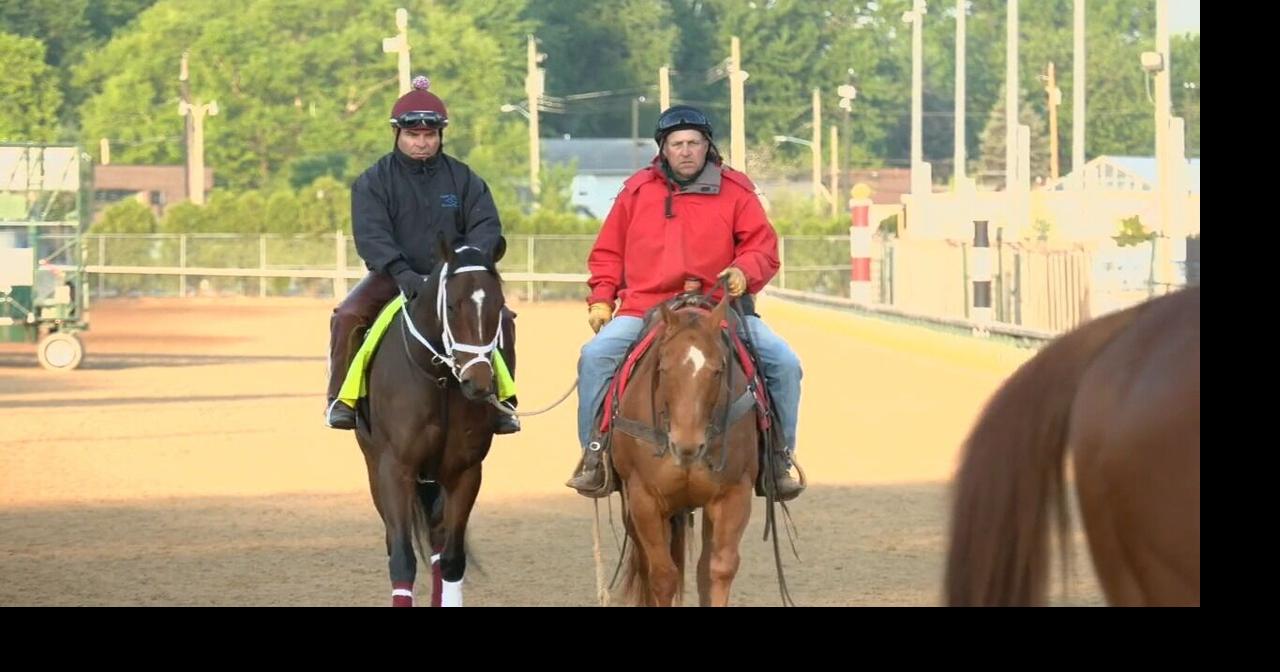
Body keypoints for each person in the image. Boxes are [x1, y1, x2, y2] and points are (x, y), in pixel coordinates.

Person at [565, 104, 803, 500]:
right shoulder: (636, 191)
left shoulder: (737, 189)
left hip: (719, 310)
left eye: (694, 142)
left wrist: (744, 271)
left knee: (784, 363)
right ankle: (595, 455)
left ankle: (778, 458)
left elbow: (762, 247)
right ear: (663, 148)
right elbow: (608, 251)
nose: (686, 151)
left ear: (707, 146)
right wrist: (602, 298)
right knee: (595, 358)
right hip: (647, 307)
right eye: (677, 144)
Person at [325, 75, 520, 435]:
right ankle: (341, 398)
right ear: (397, 134)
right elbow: (372, 235)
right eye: (413, 135)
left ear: (440, 135)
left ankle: (503, 402)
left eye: (429, 135)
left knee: (503, 318)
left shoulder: (464, 179)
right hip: (395, 277)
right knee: (348, 316)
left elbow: (487, 227)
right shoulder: (374, 181)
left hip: (455, 279)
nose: (421, 143)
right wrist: (404, 274)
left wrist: (467, 262)